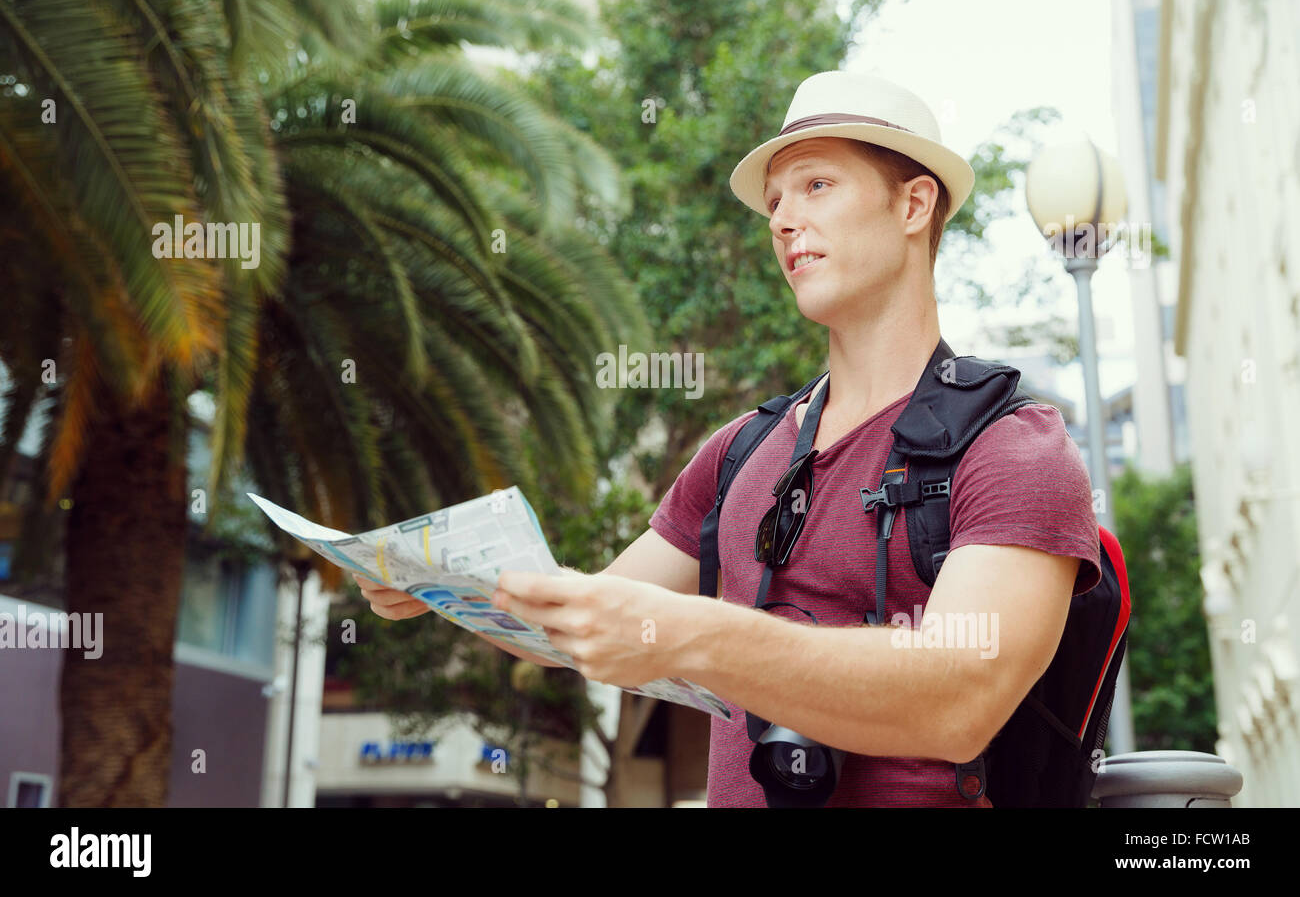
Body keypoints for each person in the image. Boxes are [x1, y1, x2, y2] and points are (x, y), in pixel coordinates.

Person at [357, 70, 1101, 807]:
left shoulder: (1012, 446)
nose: (780, 220)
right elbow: (586, 622)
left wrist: (696, 636)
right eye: (774, 202)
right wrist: (445, 581)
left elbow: (957, 700)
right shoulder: (741, 450)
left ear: (914, 204)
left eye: (816, 187)